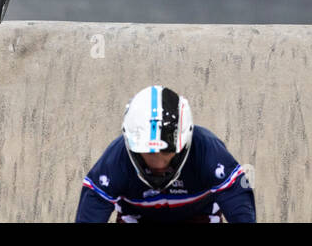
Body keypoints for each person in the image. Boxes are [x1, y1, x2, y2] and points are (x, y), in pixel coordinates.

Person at [75, 86, 256, 223]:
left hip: (199, 217)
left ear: (185, 143)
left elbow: (240, 208)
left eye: (167, 154)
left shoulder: (207, 150)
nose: (159, 166)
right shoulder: (115, 160)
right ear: (130, 147)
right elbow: (90, 211)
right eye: (148, 155)